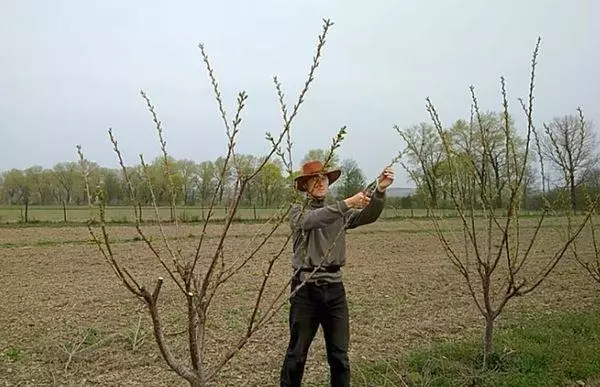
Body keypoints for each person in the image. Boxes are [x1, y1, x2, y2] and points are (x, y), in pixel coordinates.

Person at [279, 159, 394, 387]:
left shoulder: (339, 212)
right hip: (305, 291)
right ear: (305, 186)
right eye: (314, 179)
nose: (320, 182)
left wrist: (379, 190)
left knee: (339, 356)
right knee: (296, 354)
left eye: (323, 178)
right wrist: (348, 203)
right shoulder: (297, 211)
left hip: (334, 292)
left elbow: (367, 215)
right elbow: (313, 219)